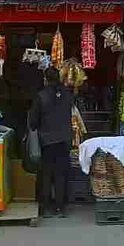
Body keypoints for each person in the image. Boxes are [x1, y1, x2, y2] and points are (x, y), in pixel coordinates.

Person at [28, 67, 74, 220]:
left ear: (45, 78)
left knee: (46, 174)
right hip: (64, 139)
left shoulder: (41, 96)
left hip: (47, 141)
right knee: (61, 174)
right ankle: (60, 207)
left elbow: (33, 122)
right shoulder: (67, 95)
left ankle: (45, 207)